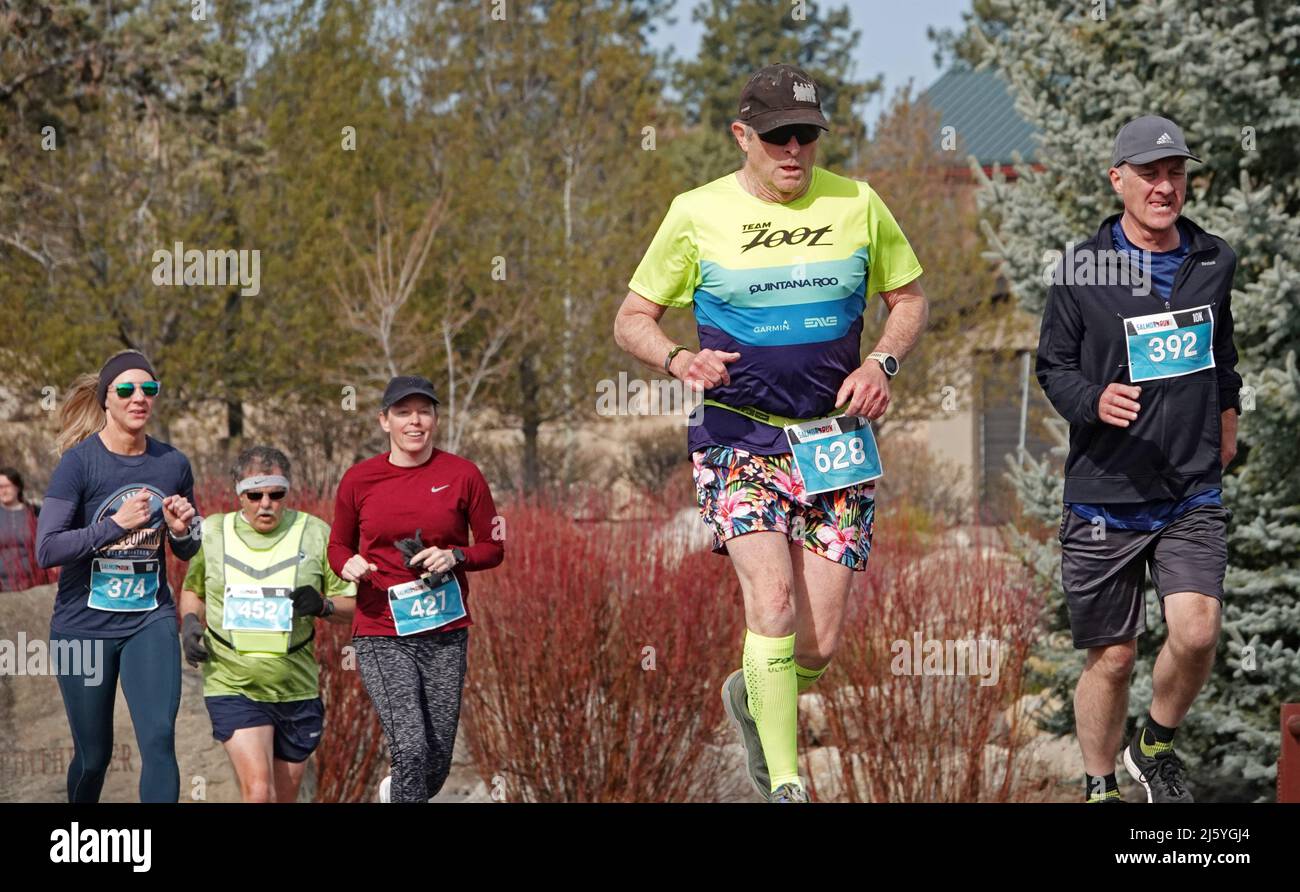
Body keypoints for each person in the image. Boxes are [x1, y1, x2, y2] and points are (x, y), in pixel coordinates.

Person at [614, 64, 928, 802]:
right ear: (742, 135)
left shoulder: (860, 203)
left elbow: (908, 299)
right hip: (736, 436)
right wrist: (677, 357)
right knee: (773, 608)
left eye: (808, 137)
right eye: (780, 136)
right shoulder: (696, 212)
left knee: (816, 646)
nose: (795, 151)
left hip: (835, 440)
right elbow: (631, 318)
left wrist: (883, 362)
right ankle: (785, 785)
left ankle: (753, 691)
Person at [1036, 116, 1241, 803]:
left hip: (1189, 487)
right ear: (1117, 179)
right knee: (1114, 657)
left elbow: (1225, 359)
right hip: (1105, 492)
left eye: (1175, 173)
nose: (1164, 187)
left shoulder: (1214, 260)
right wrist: (1094, 401)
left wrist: (1227, 420)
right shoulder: (1080, 268)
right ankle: (1098, 786)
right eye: (1149, 174)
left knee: (1198, 629)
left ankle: (1152, 744)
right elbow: (1053, 366)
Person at [328, 375, 504, 803]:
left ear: (435, 419)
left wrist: (455, 556)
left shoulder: (462, 475)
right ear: (384, 420)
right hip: (382, 630)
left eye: (424, 411)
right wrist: (346, 564)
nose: (415, 421)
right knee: (409, 746)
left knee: (436, 757)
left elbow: (493, 546)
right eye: (403, 413)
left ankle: (397, 795)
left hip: (445, 629)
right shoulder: (359, 479)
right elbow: (338, 545)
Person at [35, 350, 201, 802]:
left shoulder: (172, 464)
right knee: (93, 757)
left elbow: (187, 546)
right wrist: (114, 526)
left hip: (150, 619)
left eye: (149, 389)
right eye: (125, 389)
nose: (138, 397)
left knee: (159, 741)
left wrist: (184, 530)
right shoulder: (79, 464)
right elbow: (46, 548)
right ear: (106, 399)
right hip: (83, 627)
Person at [178, 446, 356, 803]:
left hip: (296, 686)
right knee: (258, 791)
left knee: (283, 798)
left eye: (276, 495)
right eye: (254, 495)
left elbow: (351, 607)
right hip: (232, 681)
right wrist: (189, 623)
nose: (265, 504)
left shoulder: (315, 533)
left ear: (286, 492)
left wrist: (322, 605)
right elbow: (193, 590)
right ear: (239, 494)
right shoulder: (213, 532)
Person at [0, 467, 54, 591]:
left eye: (6, 486)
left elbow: (49, 544)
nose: (2, 491)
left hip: (34, 585)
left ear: (17, 486)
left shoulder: (35, 512)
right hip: (2, 588)